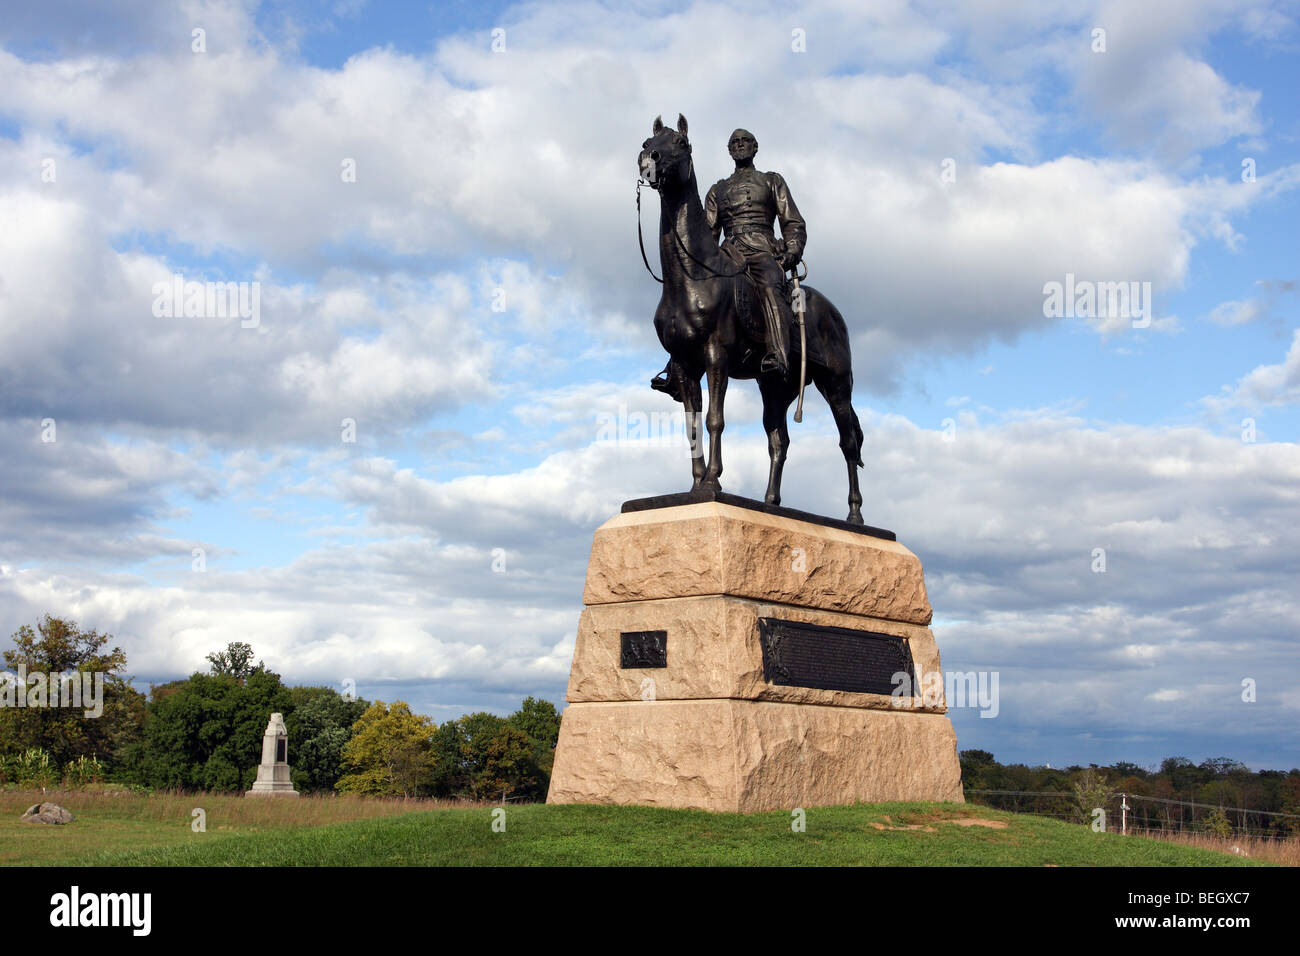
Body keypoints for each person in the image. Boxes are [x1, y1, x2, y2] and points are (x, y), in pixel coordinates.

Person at [652, 127, 806, 398]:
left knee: (770, 284)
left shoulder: (772, 181)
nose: (740, 146)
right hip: (729, 253)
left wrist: (792, 248)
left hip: (762, 250)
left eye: (745, 141)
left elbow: (792, 221)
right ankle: (676, 366)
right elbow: (707, 232)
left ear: (755, 147)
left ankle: (779, 353)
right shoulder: (718, 189)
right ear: (729, 150)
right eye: (734, 143)